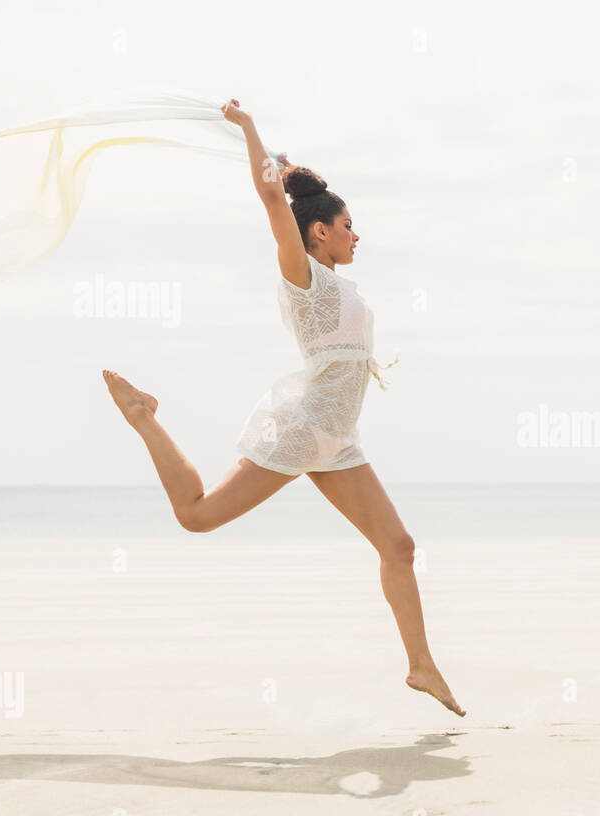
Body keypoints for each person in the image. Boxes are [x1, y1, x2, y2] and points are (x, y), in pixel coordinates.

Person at [101, 98, 464, 717]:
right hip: (304, 429)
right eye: (348, 225)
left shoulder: (343, 285)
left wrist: (290, 168)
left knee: (398, 547)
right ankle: (145, 418)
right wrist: (249, 131)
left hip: (339, 438)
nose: (356, 235)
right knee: (198, 516)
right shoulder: (304, 279)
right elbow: (274, 203)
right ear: (319, 230)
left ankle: (422, 667)